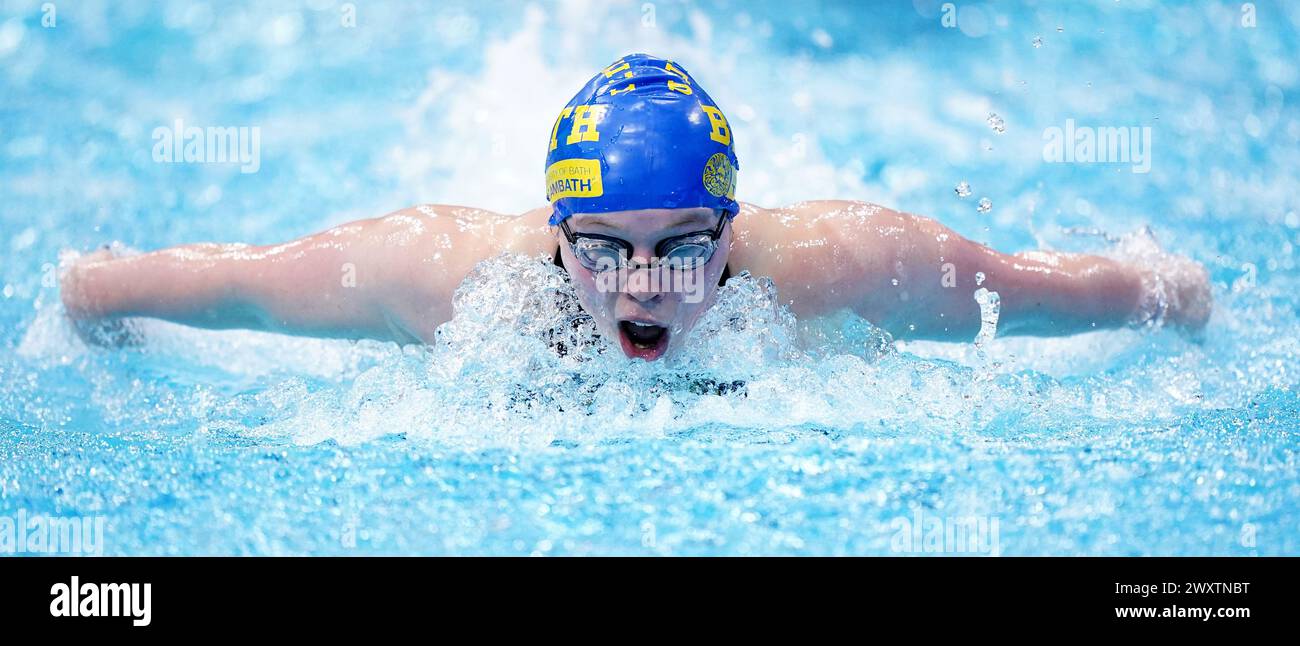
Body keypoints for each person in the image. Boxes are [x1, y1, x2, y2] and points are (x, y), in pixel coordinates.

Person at [60, 53, 1211, 361]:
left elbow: (1042, 289)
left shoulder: (834, 265)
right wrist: (96, 291)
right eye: (603, 249)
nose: (643, 285)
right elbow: (241, 280)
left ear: (734, 228)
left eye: (682, 249)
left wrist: (1166, 292)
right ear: (554, 234)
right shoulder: (446, 279)